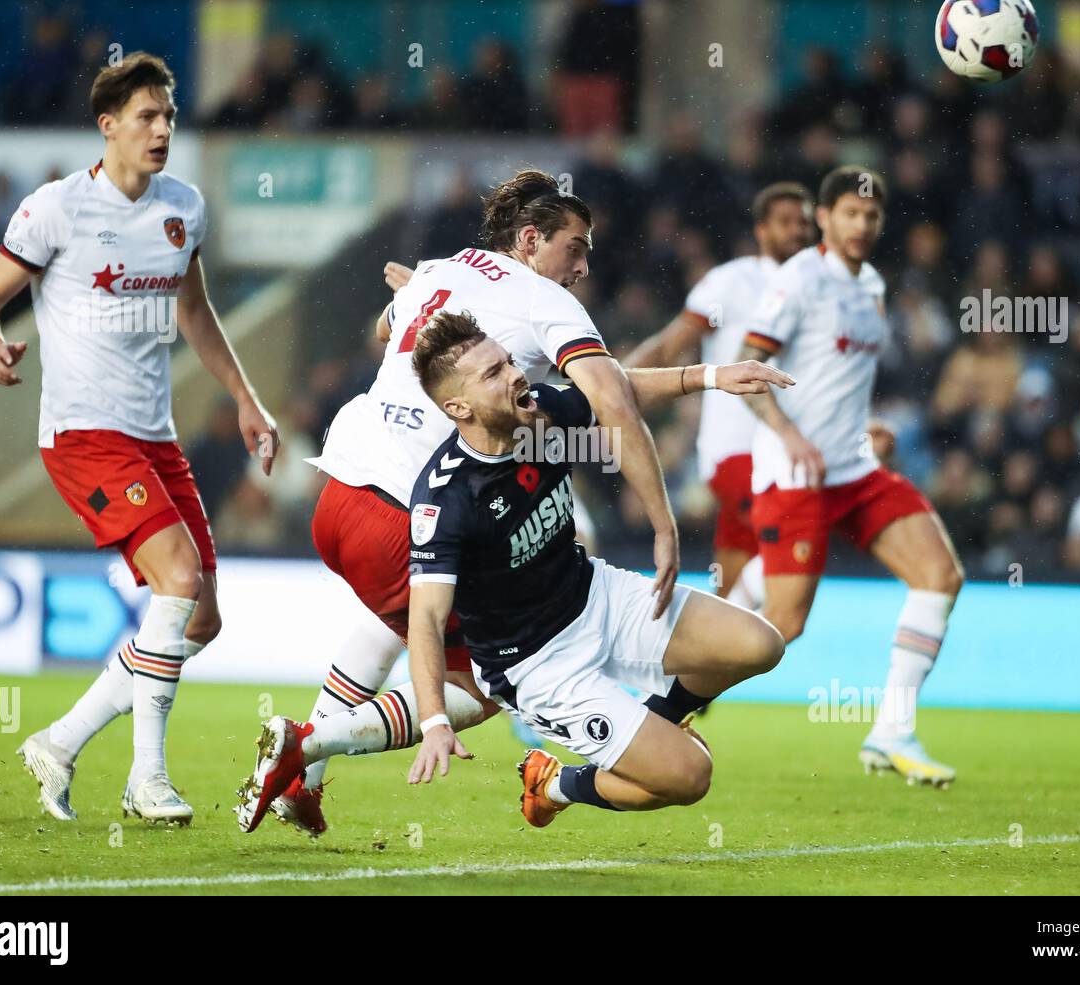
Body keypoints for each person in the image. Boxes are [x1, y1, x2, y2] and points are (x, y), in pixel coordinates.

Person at [237, 311, 789, 829]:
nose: (516, 375)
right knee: (690, 777)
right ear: (459, 409)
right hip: (541, 666)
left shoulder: (542, 415)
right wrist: (433, 722)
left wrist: (712, 375)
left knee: (759, 645)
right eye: (495, 372)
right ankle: (556, 786)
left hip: (597, 596)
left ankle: (658, 718)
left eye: (509, 360)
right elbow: (426, 622)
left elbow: (616, 388)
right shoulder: (446, 499)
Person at [261, 170, 689, 836]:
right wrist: (664, 522)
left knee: (392, 621)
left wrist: (703, 378)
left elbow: (384, 328)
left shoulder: (442, 267)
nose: (583, 265)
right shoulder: (545, 301)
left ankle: (300, 782)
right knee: (492, 676)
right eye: (575, 247)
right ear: (530, 239)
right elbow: (608, 398)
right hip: (414, 508)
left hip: (341, 494)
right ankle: (308, 743)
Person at [0, 53, 279, 824]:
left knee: (200, 616)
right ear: (108, 127)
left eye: (168, 115)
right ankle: (147, 779)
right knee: (176, 577)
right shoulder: (55, 209)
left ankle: (61, 742)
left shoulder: (184, 210)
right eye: (147, 117)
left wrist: (246, 399)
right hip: (81, 433)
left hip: (154, 435)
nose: (162, 129)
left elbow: (195, 316)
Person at [736, 166, 965, 787]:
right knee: (783, 627)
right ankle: (666, 691)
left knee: (940, 575)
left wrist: (873, 427)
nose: (862, 225)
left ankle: (893, 732)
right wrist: (788, 435)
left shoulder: (873, 286)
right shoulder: (799, 278)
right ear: (825, 217)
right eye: (850, 214)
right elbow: (748, 368)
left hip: (855, 468)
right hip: (794, 471)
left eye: (871, 216)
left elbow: (840, 385)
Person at [626, 182, 814, 596]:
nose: (797, 232)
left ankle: (699, 656)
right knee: (788, 548)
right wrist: (608, 385)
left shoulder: (825, 290)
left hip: (795, 449)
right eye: (786, 223)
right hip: (736, 450)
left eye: (804, 223)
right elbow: (669, 344)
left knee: (732, 593)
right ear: (762, 230)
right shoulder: (731, 283)